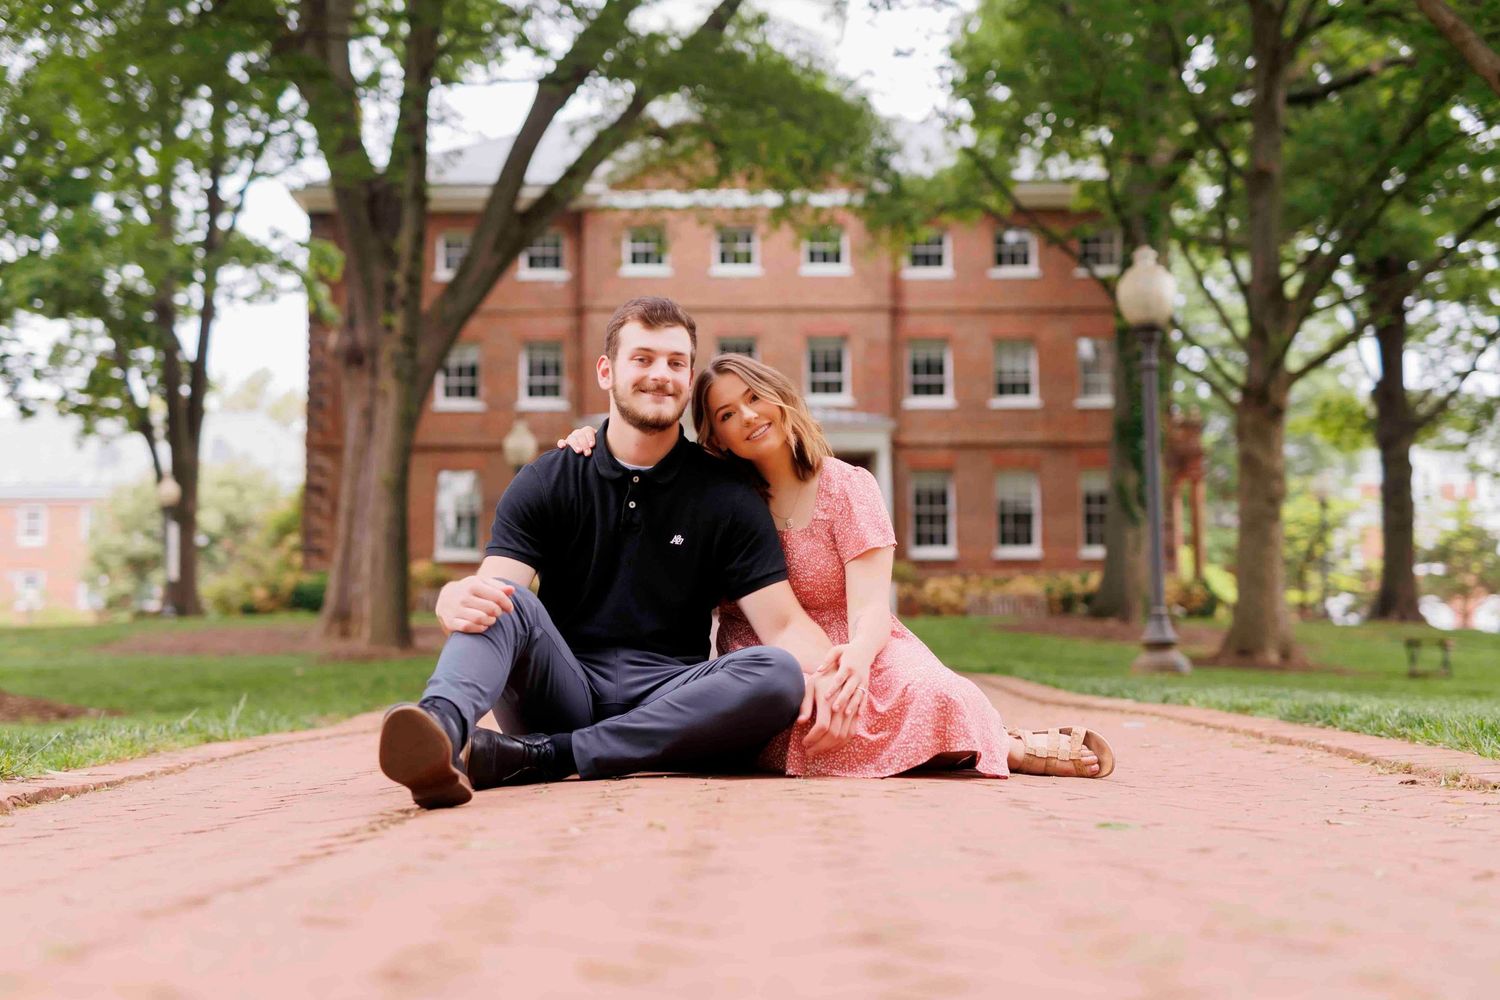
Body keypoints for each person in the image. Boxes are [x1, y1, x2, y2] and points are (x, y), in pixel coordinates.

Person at [378, 297, 853, 809]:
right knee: (502, 597)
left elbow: (782, 626)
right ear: (606, 371)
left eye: (675, 362)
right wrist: (452, 598)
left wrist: (843, 677)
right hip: (561, 690)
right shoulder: (547, 480)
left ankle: (545, 757)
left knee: (777, 673)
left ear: (689, 376)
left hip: (672, 697)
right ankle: (441, 731)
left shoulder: (726, 495)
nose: (660, 375)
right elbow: (492, 600)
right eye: (642, 358)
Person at [558, 353, 1115, 779]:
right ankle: (958, 744)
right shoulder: (715, 498)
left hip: (861, 638)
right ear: (716, 436)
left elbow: (873, 606)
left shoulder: (849, 486)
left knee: (936, 693)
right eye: (728, 414)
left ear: (781, 398)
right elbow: (635, 466)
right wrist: (588, 440)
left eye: (755, 398)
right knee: (790, 716)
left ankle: (1003, 744)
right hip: (765, 652)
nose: (748, 416)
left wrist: (857, 660)